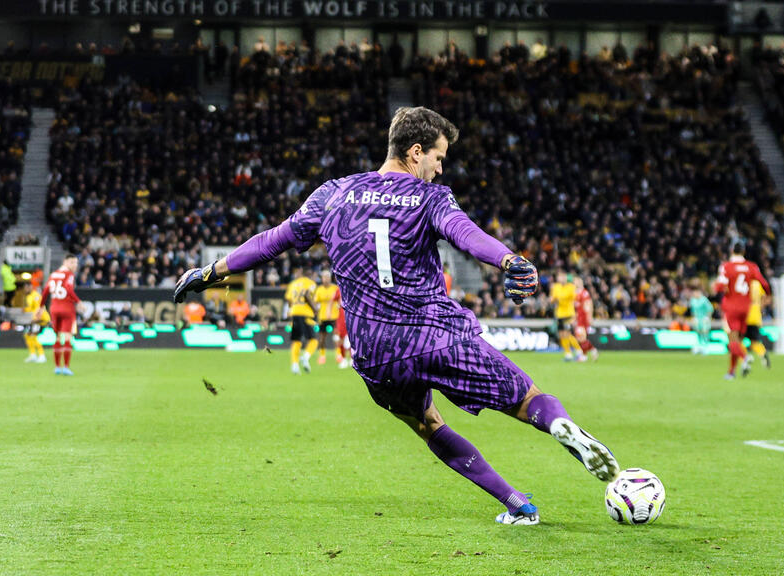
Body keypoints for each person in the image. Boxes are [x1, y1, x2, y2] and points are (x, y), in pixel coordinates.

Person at [174, 106, 619, 525]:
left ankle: (517, 505)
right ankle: (559, 424)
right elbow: (465, 235)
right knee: (526, 399)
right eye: (439, 157)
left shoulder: (333, 194)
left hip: (375, 354)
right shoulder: (430, 197)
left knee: (428, 426)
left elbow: (272, 240)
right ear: (415, 152)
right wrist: (507, 260)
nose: (441, 169)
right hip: (436, 335)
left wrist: (212, 271)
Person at [713, 243, 771, 380]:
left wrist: (719, 288)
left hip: (731, 307)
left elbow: (720, 286)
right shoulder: (752, 266)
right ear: (744, 251)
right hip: (746, 308)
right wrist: (768, 294)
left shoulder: (726, 266)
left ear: (732, 251)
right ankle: (731, 372)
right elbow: (765, 284)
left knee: (731, 340)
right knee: (737, 340)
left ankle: (745, 357)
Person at [42, 254, 80, 376]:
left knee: (57, 337)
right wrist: (78, 301)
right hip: (67, 308)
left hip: (54, 308)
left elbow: (46, 291)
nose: (75, 266)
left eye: (76, 263)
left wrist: (40, 306)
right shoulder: (69, 275)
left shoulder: (53, 274)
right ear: (66, 262)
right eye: (73, 263)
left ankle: (57, 367)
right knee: (68, 337)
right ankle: (66, 367)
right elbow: (69, 289)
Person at [284, 268, 320, 374]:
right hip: (306, 314)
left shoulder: (293, 284)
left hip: (295, 313)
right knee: (313, 340)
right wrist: (315, 309)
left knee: (296, 340)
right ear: (312, 275)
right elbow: (307, 295)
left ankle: (294, 364)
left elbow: (289, 299)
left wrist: (292, 310)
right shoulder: (311, 283)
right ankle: (305, 357)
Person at [551, 271, 585, 362]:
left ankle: (579, 351)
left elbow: (574, 298)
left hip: (569, 314)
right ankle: (568, 353)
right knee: (562, 334)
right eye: (559, 276)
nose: (560, 278)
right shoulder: (555, 287)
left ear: (566, 277)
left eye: (562, 276)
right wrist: (554, 299)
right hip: (559, 314)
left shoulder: (571, 287)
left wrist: (561, 297)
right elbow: (552, 299)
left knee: (568, 334)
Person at [17, 276, 48, 363]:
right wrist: (25, 310)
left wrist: (36, 318)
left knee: (33, 336)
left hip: (40, 319)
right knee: (27, 335)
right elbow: (32, 309)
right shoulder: (29, 297)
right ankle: (33, 354)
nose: (25, 290)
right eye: (24, 288)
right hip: (33, 319)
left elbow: (40, 308)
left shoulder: (36, 296)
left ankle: (42, 356)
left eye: (27, 287)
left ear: (30, 287)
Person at [743, 277, 772, 370]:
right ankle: (763, 353)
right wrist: (760, 307)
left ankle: (744, 358)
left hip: (745, 315)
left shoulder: (744, 283)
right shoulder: (757, 284)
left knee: (737, 340)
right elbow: (765, 298)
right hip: (756, 316)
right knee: (754, 341)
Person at [314, 270, 340, 365]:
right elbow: (315, 302)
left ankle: (338, 355)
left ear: (330, 278)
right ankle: (322, 356)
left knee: (336, 336)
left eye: (327, 277)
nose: (325, 279)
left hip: (334, 315)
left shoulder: (335, 288)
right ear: (321, 279)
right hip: (323, 317)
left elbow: (339, 301)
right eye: (324, 277)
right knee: (322, 337)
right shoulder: (319, 289)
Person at [572, 276, 598, 361]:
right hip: (578, 317)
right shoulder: (575, 293)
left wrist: (589, 317)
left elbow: (588, 305)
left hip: (584, 318)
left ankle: (586, 354)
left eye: (576, 281)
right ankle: (589, 352)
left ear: (580, 282)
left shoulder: (584, 293)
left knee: (581, 337)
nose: (574, 283)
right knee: (580, 337)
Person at [688, 280, 713, 355]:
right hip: (697, 319)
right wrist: (694, 318)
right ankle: (698, 346)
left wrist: (707, 317)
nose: (694, 294)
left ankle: (705, 347)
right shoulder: (692, 300)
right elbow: (693, 310)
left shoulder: (704, 299)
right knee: (698, 332)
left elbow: (710, 309)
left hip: (704, 318)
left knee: (705, 332)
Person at [333, 287, 351, 369]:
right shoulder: (338, 289)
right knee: (340, 338)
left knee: (351, 340)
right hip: (341, 318)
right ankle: (343, 359)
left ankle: (352, 359)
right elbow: (333, 301)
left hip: (351, 317)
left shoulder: (352, 287)